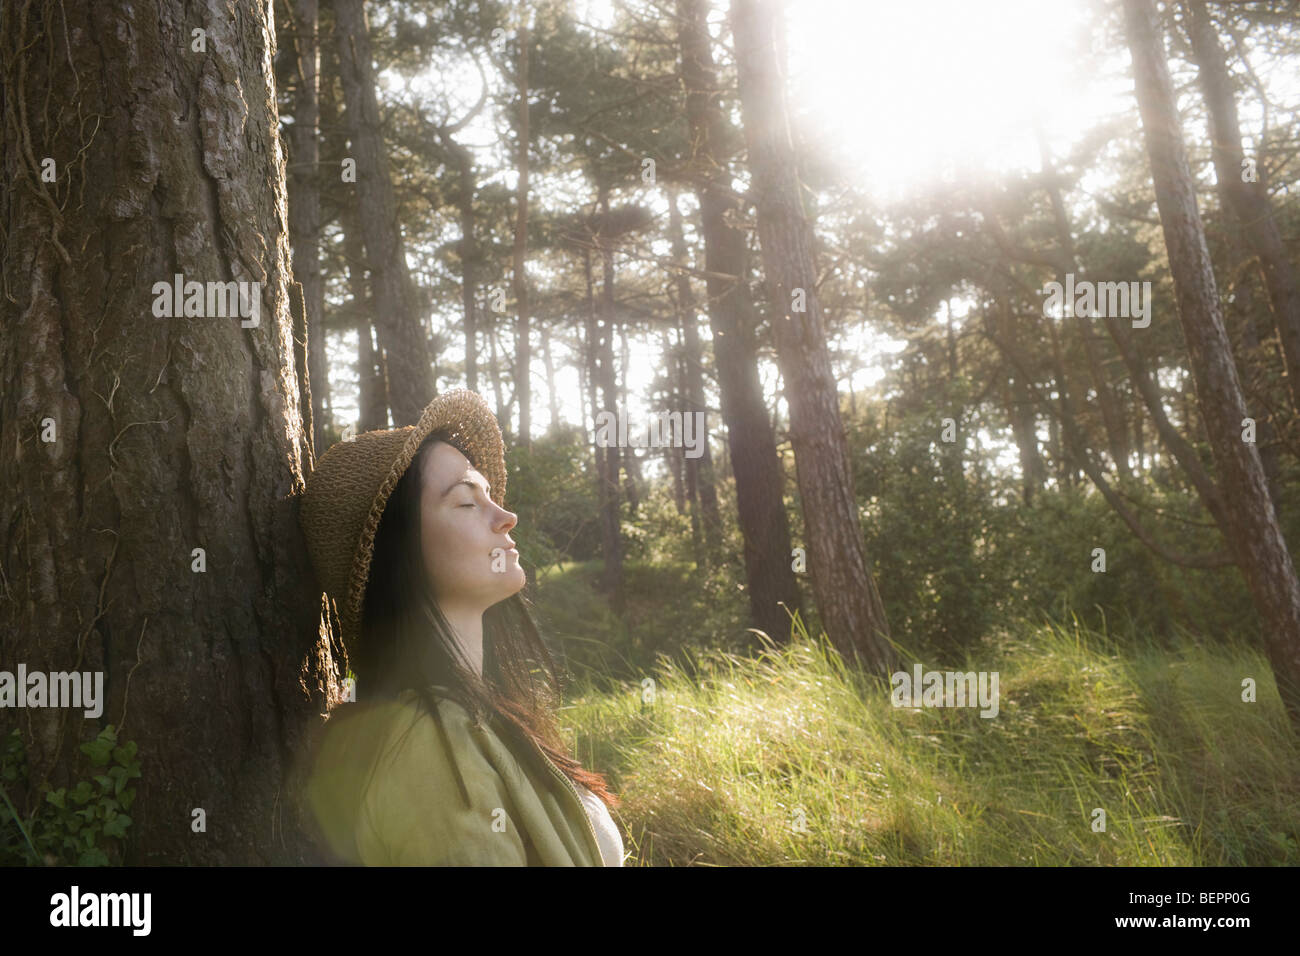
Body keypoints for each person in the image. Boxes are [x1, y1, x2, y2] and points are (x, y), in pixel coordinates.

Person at [297, 389, 623, 866]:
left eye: (490, 496)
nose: (507, 518)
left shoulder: (477, 716)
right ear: (400, 553)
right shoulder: (427, 746)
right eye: (467, 503)